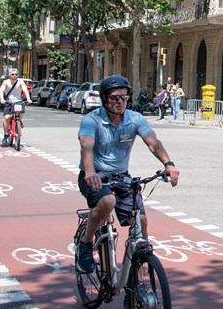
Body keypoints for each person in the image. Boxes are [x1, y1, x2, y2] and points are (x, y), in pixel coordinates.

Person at [75, 74, 180, 274]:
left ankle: (136, 274)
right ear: (105, 99)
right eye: (115, 98)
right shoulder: (92, 119)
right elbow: (86, 146)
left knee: (140, 221)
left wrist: (169, 163)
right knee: (107, 202)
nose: (120, 102)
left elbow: (153, 142)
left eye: (123, 97)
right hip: (94, 176)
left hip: (121, 176)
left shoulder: (134, 119)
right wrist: (89, 172)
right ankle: (86, 243)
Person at [0, 68, 33, 147]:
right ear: (9, 75)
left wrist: (28, 99)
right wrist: (2, 99)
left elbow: (25, 90)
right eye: (12, 74)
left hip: (18, 102)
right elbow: (1, 91)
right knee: (7, 118)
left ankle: (18, 123)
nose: (14, 76)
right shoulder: (6, 82)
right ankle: (6, 134)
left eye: (16, 74)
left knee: (19, 116)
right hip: (8, 102)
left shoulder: (20, 82)